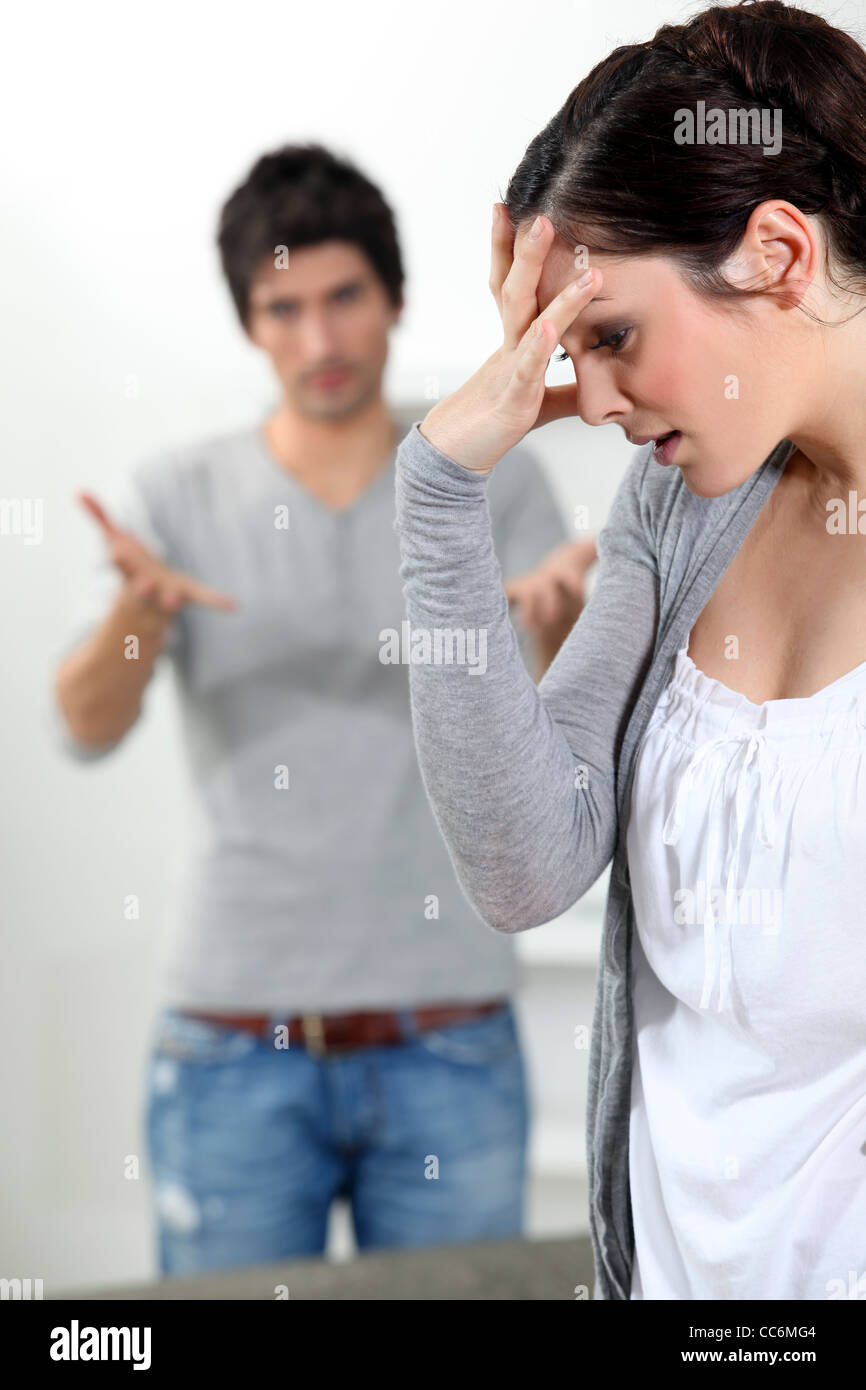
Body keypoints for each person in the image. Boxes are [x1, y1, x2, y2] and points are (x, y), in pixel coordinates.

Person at [52, 143, 598, 1276]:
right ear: (249, 323)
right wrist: (138, 615)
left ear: (393, 296)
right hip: (231, 1044)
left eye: (343, 297)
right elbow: (83, 727)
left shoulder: (487, 473)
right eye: (281, 307)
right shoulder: (179, 492)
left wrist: (552, 620)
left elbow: (567, 737)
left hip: (447, 1035)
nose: (319, 339)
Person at [391, 0, 866, 1300]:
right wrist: (438, 487)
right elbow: (524, 863)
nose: (584, 402)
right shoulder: (680, 507)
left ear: (775, 251)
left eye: (607, 336)